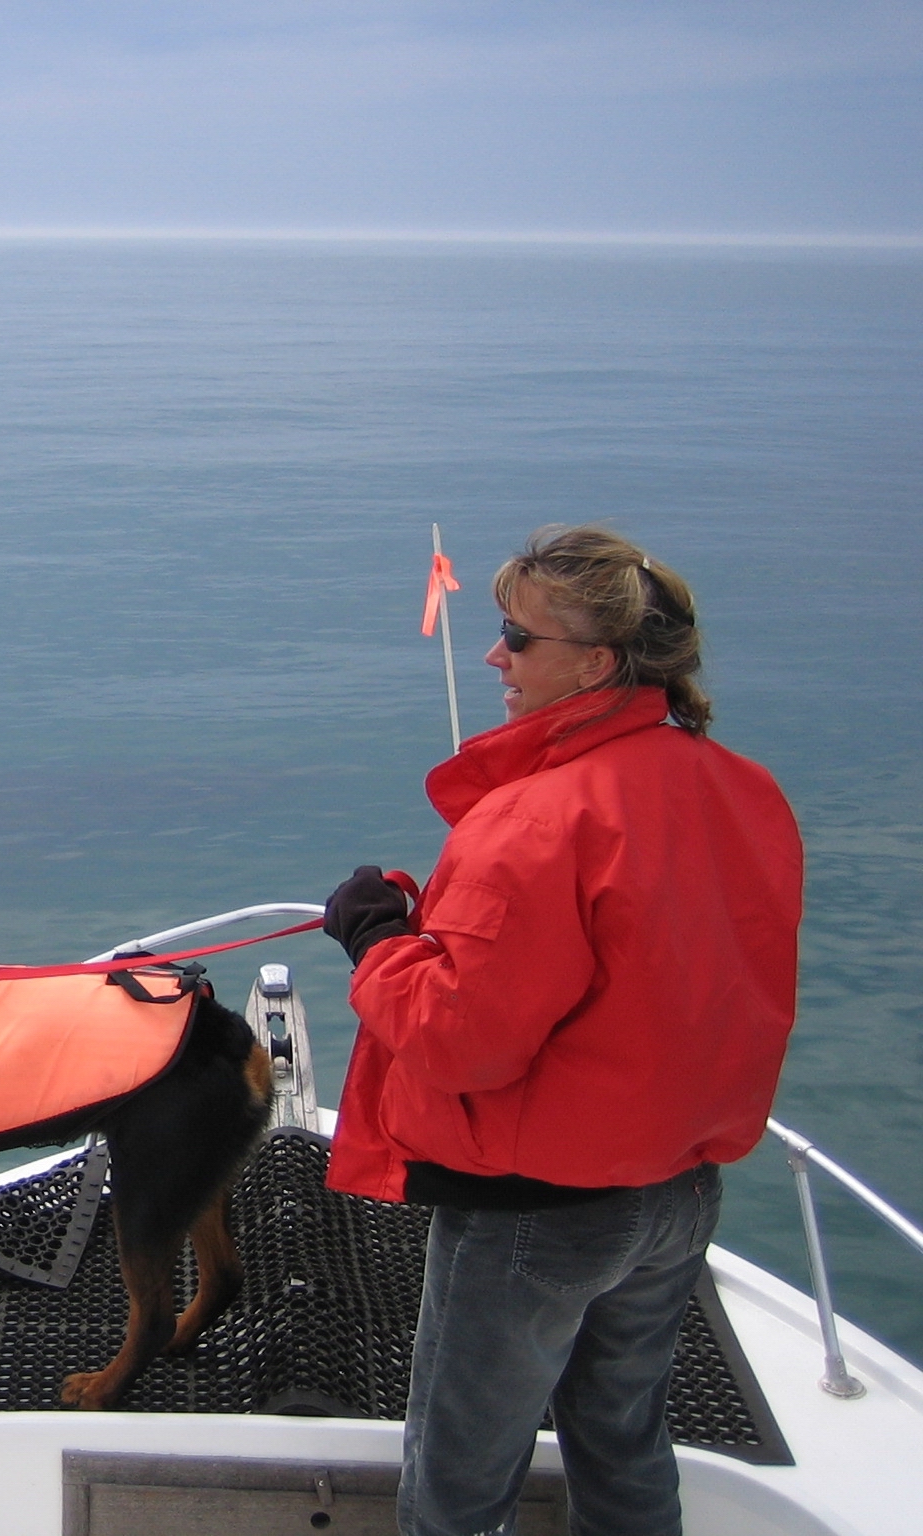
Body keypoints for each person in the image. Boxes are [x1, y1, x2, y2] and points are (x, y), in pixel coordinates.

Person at [321, 525, 803, 1536]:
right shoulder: (743, 789)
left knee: (458, 1477)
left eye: (514, 637)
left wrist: (375, 942)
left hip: (535, 1209)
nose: (492, 655)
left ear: (594, 663)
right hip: (674, 1190)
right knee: (623, 1440)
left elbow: (460, 1039)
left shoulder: (536, 819)